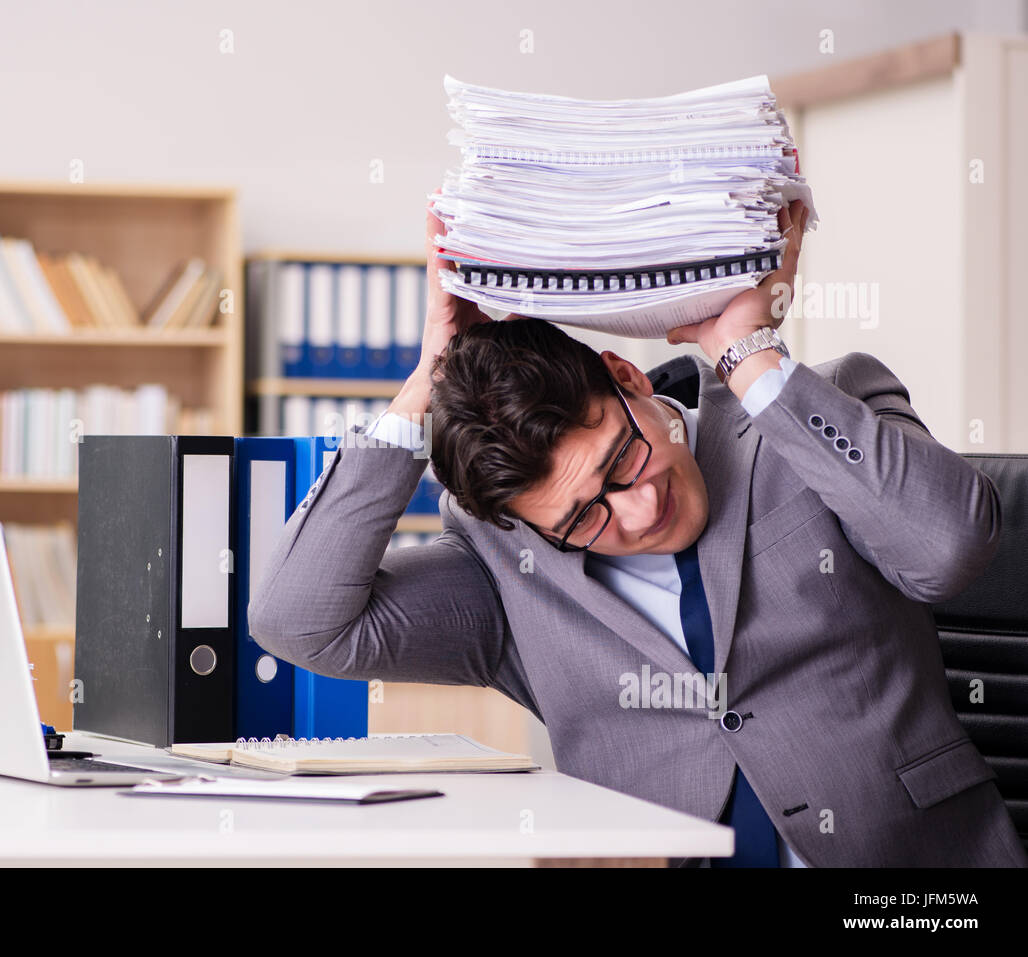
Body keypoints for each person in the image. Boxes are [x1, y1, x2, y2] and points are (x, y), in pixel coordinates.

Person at [247, 196, 1026, 867]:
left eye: (625, 457)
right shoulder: (507, 569)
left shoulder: (813, 419)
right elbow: (295, 619)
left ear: (627, 380)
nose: (640, 509)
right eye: (586, 517)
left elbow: (949, 548)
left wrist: (750, 356)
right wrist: (426, 385)